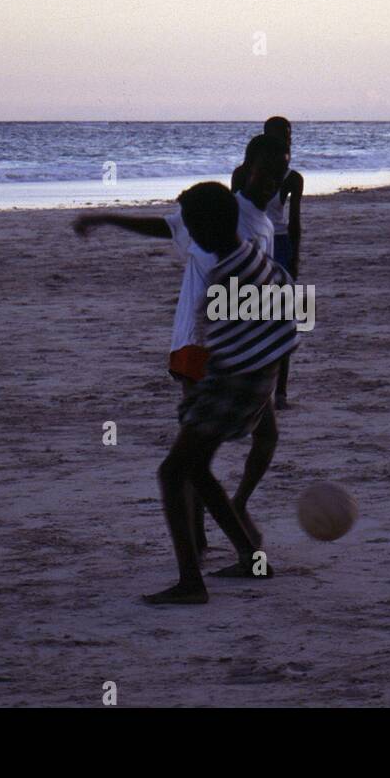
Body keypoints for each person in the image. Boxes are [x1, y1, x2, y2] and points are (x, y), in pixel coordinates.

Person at [71, 137, 288, 556]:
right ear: (246, 169)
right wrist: (108, 219)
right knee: (192, 458)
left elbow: (272, 301)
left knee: (227, 449)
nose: (271, 183)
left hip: (238, 356)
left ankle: (232, 522)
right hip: (201, 347)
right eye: (265, 173)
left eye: (280, 176)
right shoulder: (220, 211)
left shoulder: (259, 225)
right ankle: (215, 541)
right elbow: (167, 228)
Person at [145, 182, 300, 604]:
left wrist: (200, 396)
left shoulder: (227, 275)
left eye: (192, 227)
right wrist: (272, 372)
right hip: (254, 384)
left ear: (209, 227)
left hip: (231, 388)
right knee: (196, 469)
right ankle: (252, 558)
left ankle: (191, 583)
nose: (189, 236)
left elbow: (226, 351)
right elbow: (291, 308)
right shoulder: (253, 256)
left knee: (172, 472)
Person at [232, 119, 303, 408]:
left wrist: (296, 256)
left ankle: (281, 392)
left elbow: (295, 221)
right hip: (253, 241)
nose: (287, 140)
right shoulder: (241, 173)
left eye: (289, 135)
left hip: (281, 241)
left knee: (286, 318)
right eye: (280, 135)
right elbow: (235, 209)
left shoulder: (293, 178)